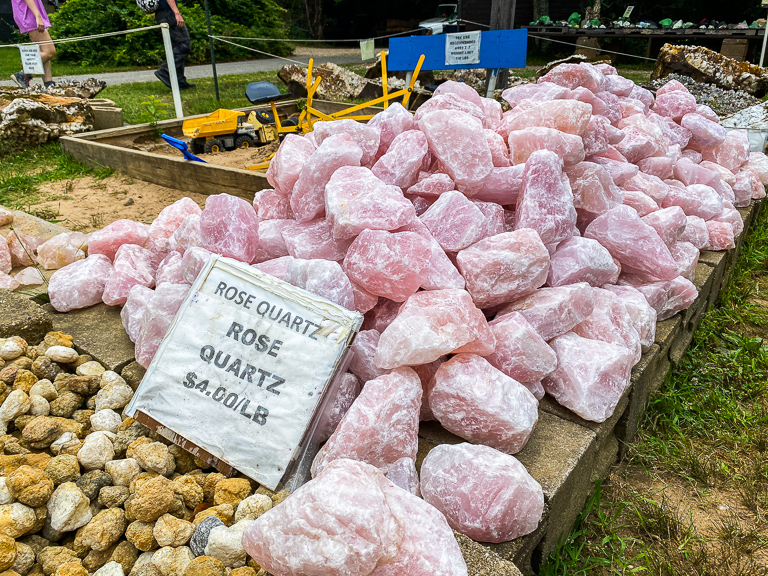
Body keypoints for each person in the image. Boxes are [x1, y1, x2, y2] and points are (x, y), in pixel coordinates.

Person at [10, 0, 57, 89]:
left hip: (30, 12)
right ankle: (23, 74)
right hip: (30, 14)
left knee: (44, 50)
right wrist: (37, 16)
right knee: (50, 51)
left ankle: (48, 83)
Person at [154, 0, 195, 90]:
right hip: (169, 13)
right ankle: (165, 70)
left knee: (176, 47)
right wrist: (177, 13)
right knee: (184, 45)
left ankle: (179, 81)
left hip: (161, 14)